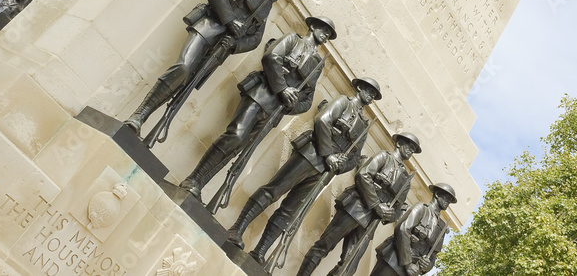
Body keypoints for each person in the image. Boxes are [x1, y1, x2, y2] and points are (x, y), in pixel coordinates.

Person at [124, 0, 290, 137]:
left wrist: (235, 45)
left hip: (223, 46)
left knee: (185, 85)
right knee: (183, 69)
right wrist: (230, 21)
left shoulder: (267, 2)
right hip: (209, 26)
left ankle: (146, 122)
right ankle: (139, 115)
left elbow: (256, 38)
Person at [179, 16, 336, 203]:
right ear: (313, 26)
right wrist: (283, 89)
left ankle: (199, 185)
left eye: (328, 33)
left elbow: (308, 101)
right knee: (235, 135)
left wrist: (291, 104)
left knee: (239, 151)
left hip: (275, 112)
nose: (325, 35)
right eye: (323, 29)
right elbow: (271, 58)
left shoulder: (317, 64)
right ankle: (193, 178)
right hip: (259, 95)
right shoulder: (293, 40)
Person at [226, 78, 383, 264]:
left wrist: (340, 165)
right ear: (359, 88)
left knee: (288, 211)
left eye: (373, 94)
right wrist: (328, 156)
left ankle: (260, 251)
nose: (370, 96)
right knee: (272, 192)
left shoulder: (364, 126)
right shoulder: (343, 102)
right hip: (310, 155)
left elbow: (355, 158)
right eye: (369, 90)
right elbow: (322, 121)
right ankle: (237, 229)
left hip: (324, 172)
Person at [297, 132, 420, 276]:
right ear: (399, 143)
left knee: (348, 267)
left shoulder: (406, 179)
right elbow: (363, 175)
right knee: (323, 246)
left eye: (414, 149)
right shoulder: (383, 157)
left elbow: (398, 208)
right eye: (409, 146)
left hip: (370, 222)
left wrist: (390, 214)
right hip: (355, 208)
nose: (411, 150)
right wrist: (376, 205)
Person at [370, 183, 456, 276]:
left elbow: (433, 256)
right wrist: (408, 265)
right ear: (437, 194)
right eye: (447, 198)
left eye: (450, 200)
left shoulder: (442, 227)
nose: (448, 202)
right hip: (394, 261)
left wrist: (427, 265)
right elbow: (402, 230)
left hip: (412, 271)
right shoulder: (421, 208)